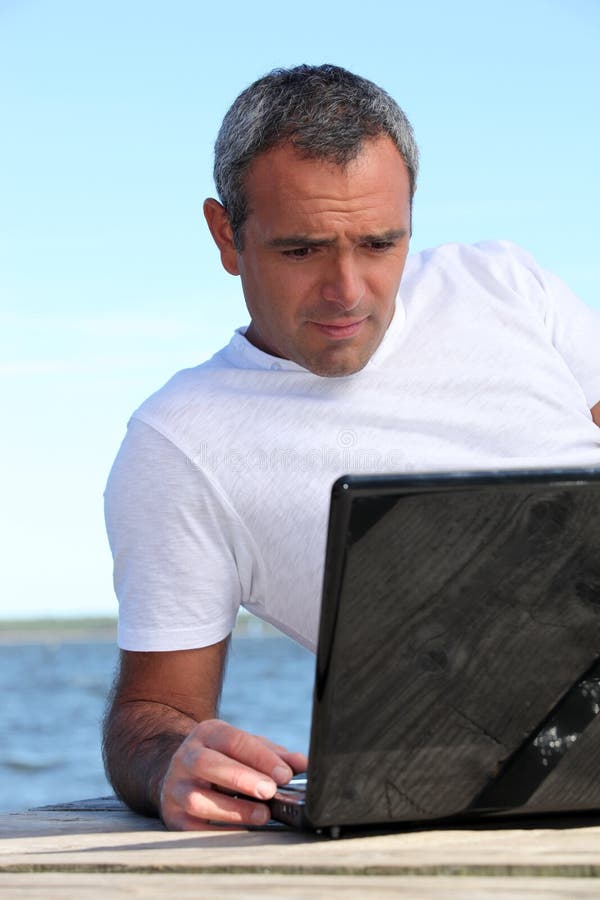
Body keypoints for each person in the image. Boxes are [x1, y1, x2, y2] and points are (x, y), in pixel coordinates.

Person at [103, 64, 600, 831]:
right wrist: (171, 762)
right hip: (496, 794)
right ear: (227, 235)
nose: (347, 291)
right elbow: (151, 713)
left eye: (378, 243)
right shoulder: (179, 443)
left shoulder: (505, 284)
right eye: (302, 250)